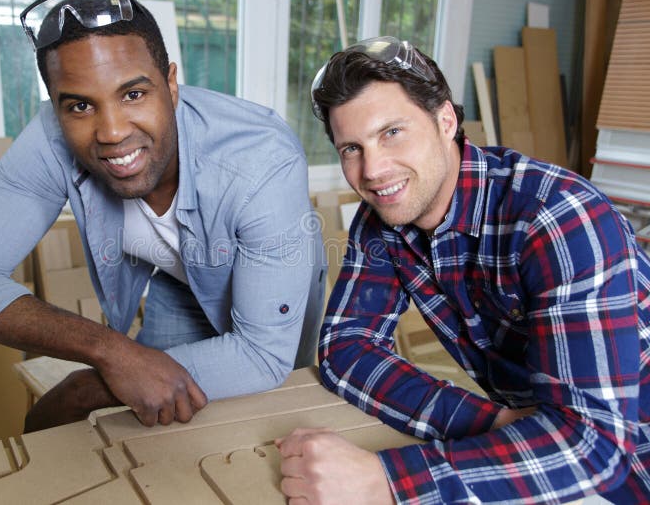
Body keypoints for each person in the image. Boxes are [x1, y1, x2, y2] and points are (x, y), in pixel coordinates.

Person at [0, 0, 325, 432]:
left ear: (170, 83)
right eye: (80, 106)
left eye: (133, 94)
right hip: (177, 283)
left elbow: (263, 354)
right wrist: (109, 350)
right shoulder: (50, 139)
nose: (111, 132)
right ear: (57, 108)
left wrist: (83, 390)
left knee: (255, 430)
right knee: (161, 430)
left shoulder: (262, 159)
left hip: (265, 304)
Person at [276, 36, 650, 503]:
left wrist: (388, 481)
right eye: (351, 148)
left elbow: (593, 447)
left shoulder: (556, 218)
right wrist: (491, 422)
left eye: (392, 132)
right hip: (547, 447)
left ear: (446, 121)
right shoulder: (385, 220)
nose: (372, 170)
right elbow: (345, 348)